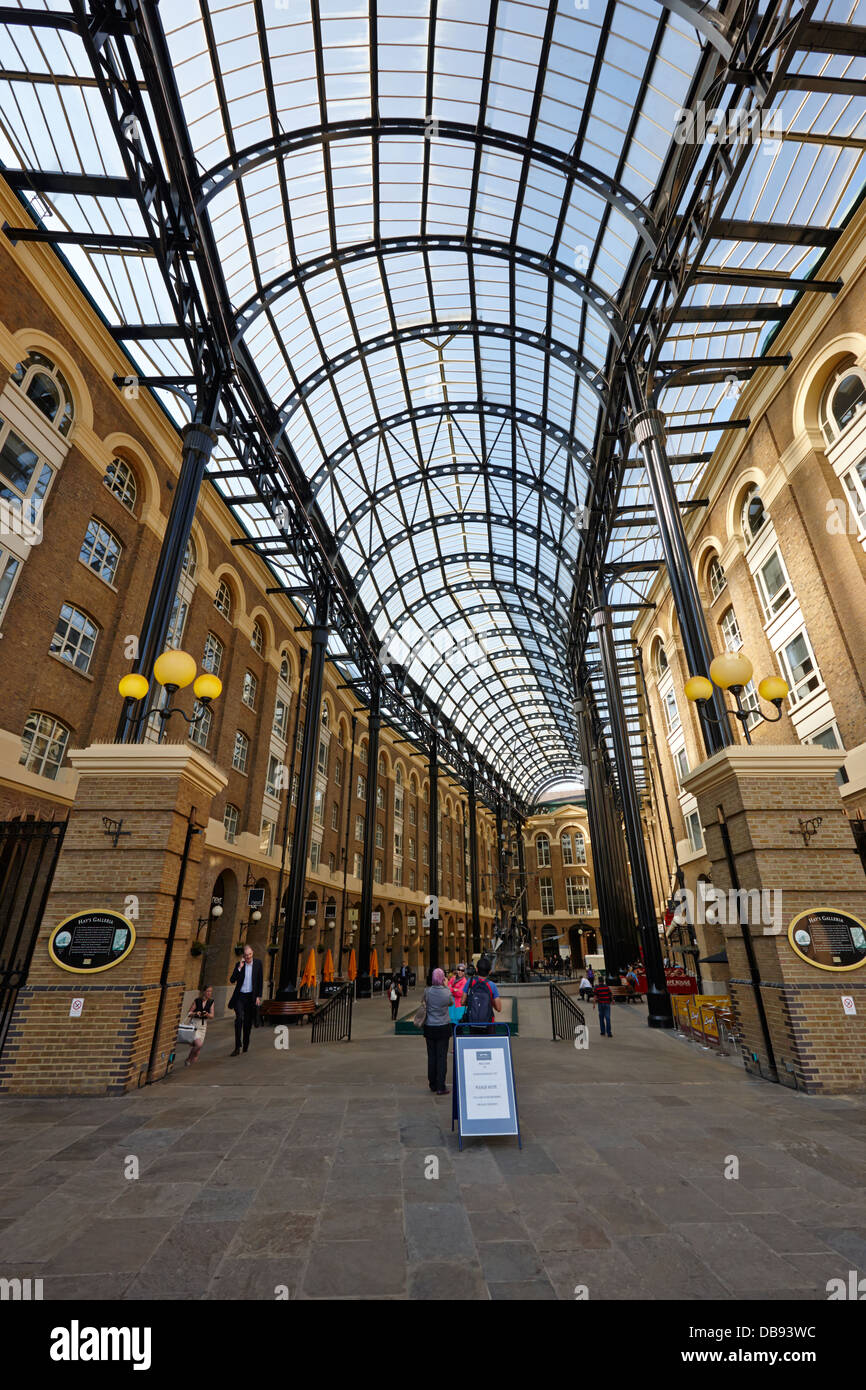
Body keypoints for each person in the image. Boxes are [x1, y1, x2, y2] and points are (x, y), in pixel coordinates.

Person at [422, 967, 453, 1095]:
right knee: (441, 1057)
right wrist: (446, 987)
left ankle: (432, 1084)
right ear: (442, 979)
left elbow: (423, 1002)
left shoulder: (427, 991)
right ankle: (441, 1086)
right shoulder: (446, 992)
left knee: (432, 1056)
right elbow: (451, 1003)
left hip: (430, 1027)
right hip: (443, 1027)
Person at [229, 945, 263, 1055]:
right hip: (240, 996)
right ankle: (237, 1046)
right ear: (243, 956)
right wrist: (239, 967)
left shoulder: (258, 964)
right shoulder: (239, 965)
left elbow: (260, 981)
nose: (248, 957)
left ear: (252, 953)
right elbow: (232, 980)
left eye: (250, 955)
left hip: (251, 997)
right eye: (246, 955)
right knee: (239, 1019)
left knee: (247, 1023)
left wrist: (258, 996)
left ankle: (246, 1043)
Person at [462, 956, 502, 1035]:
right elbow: (499, 1008)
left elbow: (462, 1002)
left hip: (473, 1022)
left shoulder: (470, 982)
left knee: (474, 1045)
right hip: (488, 1023)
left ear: (476, 969)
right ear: (490, 971)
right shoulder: (492, 985)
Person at [185, 984, 214, 1066]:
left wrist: (207, 1014)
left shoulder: (211, 1002)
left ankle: (190, 1067)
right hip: (194, 1024)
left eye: (211, 991)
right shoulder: (197, 1000)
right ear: (204, 992)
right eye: (208, 991)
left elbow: (212, 1015)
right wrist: (196, 1013)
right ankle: (188, 1059)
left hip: (203, 1026)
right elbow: (189, 1013)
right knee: (199, 1045)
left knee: (197, 1051)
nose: (209, 993)